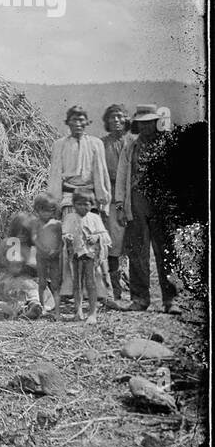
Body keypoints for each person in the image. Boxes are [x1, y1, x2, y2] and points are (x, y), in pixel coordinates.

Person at [113, 104, 180, 314]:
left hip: (161, 206)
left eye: (149, 123)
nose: (146, 127)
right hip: (137, 204)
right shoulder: (131, 146)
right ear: (137, 125)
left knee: (165, 252)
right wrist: (120, 204)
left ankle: (170, 300)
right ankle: (140, 299)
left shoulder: (167, 145)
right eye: (141, 124)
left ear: (156, 123)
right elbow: (123, 175)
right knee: (137, 253)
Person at [47, 105, 110, 215]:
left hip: (90, 198)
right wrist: (54, 203)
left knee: (90, 229)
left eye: (81, 120)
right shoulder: (60, 145)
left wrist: (104, 202)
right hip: (69, 198)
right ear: (68, 122)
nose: (78, 124)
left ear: (87, 122)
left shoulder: (96, 144)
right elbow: (55, 175)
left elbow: (101, 173)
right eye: (74, 120)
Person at [0, 212, 43, 320]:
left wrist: (26, 267)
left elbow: (39, 268)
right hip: (7, 281)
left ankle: (33, 306)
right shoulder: (7, 243)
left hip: (27, 281)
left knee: (32, 291)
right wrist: (5, 264)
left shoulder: (32, 247)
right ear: (14, 230)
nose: (22, 234)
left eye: (25, 232)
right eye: (19, 231)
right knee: (3, 297)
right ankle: (15, 310)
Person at [62, 190, 109, 324]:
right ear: (73, 204)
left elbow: (104, 235)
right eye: (79, 204)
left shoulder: (94, 218)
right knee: (77, 282)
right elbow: (64, 233)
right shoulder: (70, 218)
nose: (82, 207)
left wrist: (96, 237)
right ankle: (78, 311)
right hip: (76, 253)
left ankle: (92, 312)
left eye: (86, 204)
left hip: (90, 254)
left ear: (92, 205)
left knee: (91, 282)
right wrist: (67, 238)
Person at [100, 103, 130, 300]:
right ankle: (114, 288)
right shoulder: (101, 144)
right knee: (112, 244)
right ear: (107, 121)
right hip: (111, 197)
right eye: (112, 117)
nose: (116, 120)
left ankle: (132, 286)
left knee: (131, 242)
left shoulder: (132, 143)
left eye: (120, 116)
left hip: (131, 196)